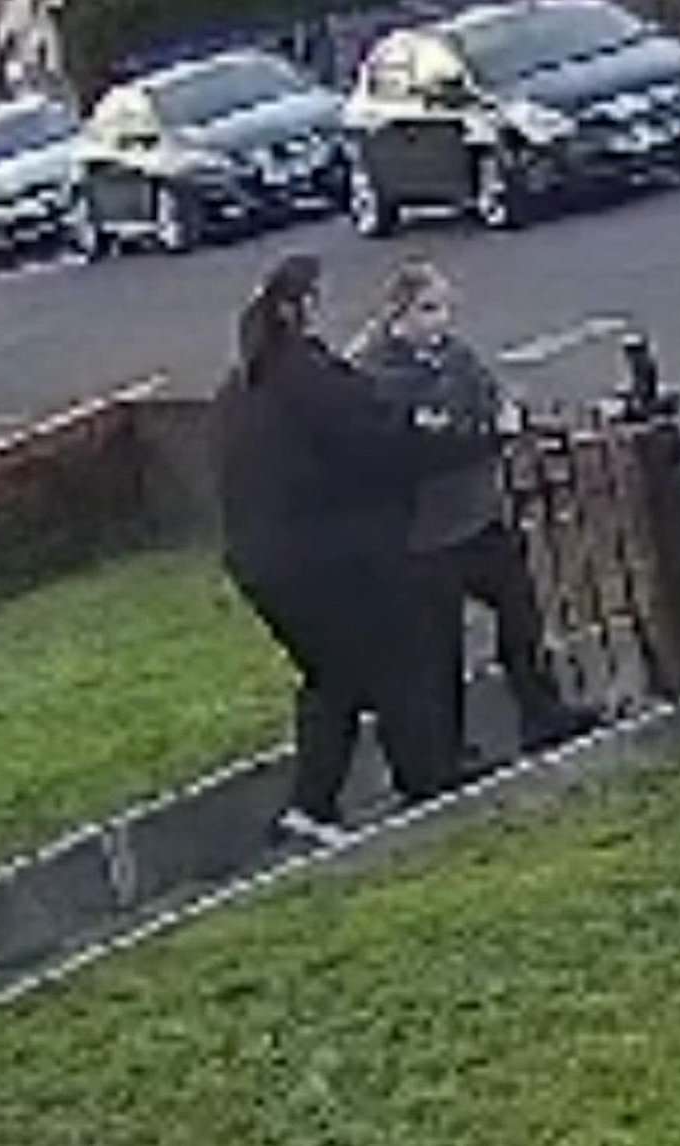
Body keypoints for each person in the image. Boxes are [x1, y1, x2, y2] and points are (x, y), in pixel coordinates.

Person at [213, 253, 498, 850]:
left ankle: (310, 809)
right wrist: (459, 443)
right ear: (300, 309)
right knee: (400, 651)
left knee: (336, 676)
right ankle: (427, 778)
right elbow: (378, 440)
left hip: (266, 562)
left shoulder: (246, 384)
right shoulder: (306, 376)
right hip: (325, 557)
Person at [348, 258, 600, 753]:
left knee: (521, 615)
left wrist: (494, 420)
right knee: (440, 647)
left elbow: (485, 402)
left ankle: (541, 713)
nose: (440, 320)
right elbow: (419, 442)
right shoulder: (376, 374)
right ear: (399, 314)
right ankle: (446, 747)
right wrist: (473, 431)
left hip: (478, 516)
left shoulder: (454, 356)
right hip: (423, 533)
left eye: (443, 308)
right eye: (428, 309)